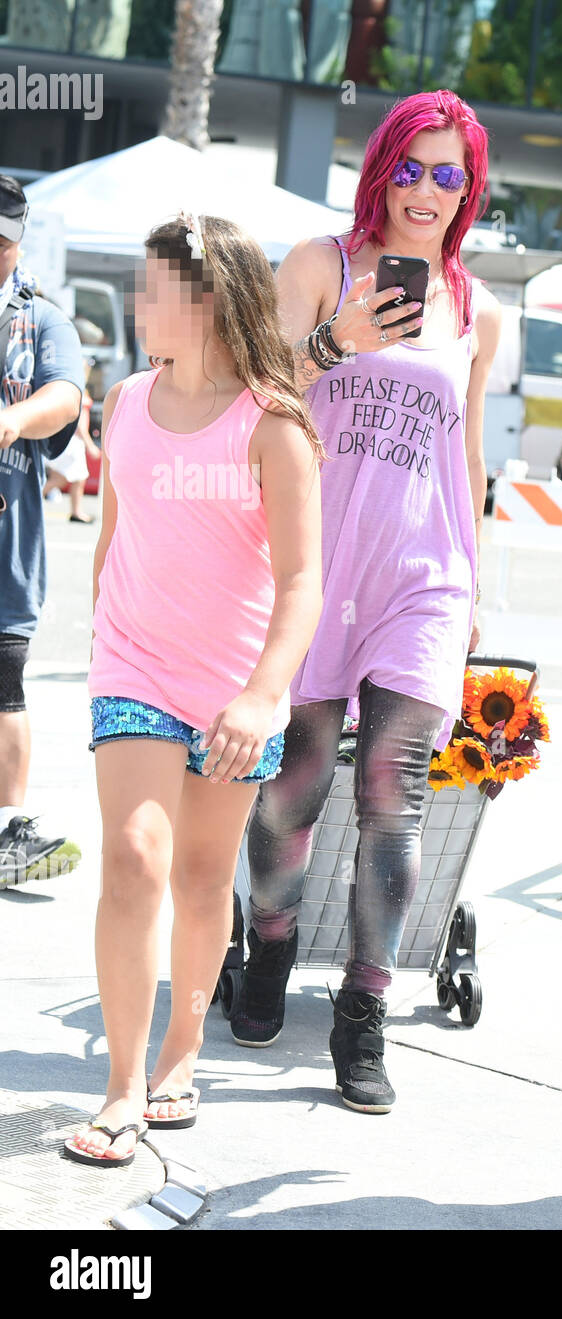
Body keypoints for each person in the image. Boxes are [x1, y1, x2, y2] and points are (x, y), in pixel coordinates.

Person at [234, 91, 501, 1116]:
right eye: (413, 167)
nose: (429, 190)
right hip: (314, 558)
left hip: (421, 573)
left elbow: (469, 455)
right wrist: (336, 338)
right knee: (296, 779)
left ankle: (364, 1011)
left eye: (450, 174)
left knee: (396, 786)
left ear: (468, 187)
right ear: (381, 167)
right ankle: (268, 949)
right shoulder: (319, 265)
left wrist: (472, 577)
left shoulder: (475, 307)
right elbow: (250, 388)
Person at [63, 213, 324, 1167]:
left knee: (206, 875)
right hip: (131, 668)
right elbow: (112, 538)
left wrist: (262, 696)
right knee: (134, 856)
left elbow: (303, 581)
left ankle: (181, 1055)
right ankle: (123, 1087)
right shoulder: (126, 400)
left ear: (207, 301)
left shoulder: (275, 426)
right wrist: (105, 634)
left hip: (233, 686)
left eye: (152, 287)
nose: (139, 304)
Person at [0, 173, 85, 886]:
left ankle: (6, 830)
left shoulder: (42, 317)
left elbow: (64, 393)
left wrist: (13, 419)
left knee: (5, 681)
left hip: (6, 533)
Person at [43, 357, 100, 524]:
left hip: (69, 440)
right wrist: (90, 446)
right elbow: (80, 426)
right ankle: (29, 500)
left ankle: (76, 511)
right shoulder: (78, 390)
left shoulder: (71, 387)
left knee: (73, 478)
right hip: (73, 442)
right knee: (66, 478)